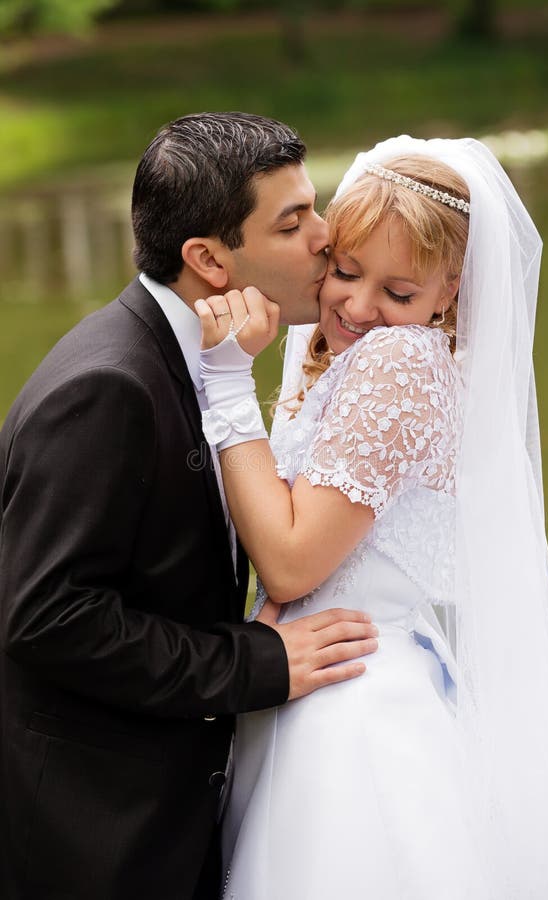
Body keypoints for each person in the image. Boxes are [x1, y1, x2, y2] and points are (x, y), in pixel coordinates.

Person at [196, 135, 548, 898]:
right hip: (330, 675)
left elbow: (292, 561)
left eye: (399, 292)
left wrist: (225, 379)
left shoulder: (401, 363)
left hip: (353, 708)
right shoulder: (354, 356)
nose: (359, 307)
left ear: (449, 291)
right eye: (346, 272)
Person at [0, 113, 379, 900]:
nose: (326, 236)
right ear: (208, 259)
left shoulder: (209, 355)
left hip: (176, 818)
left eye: (314, 207)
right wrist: (255, 663)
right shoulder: (107, 388)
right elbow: (46, 618)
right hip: (95, 842)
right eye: (292, 223)